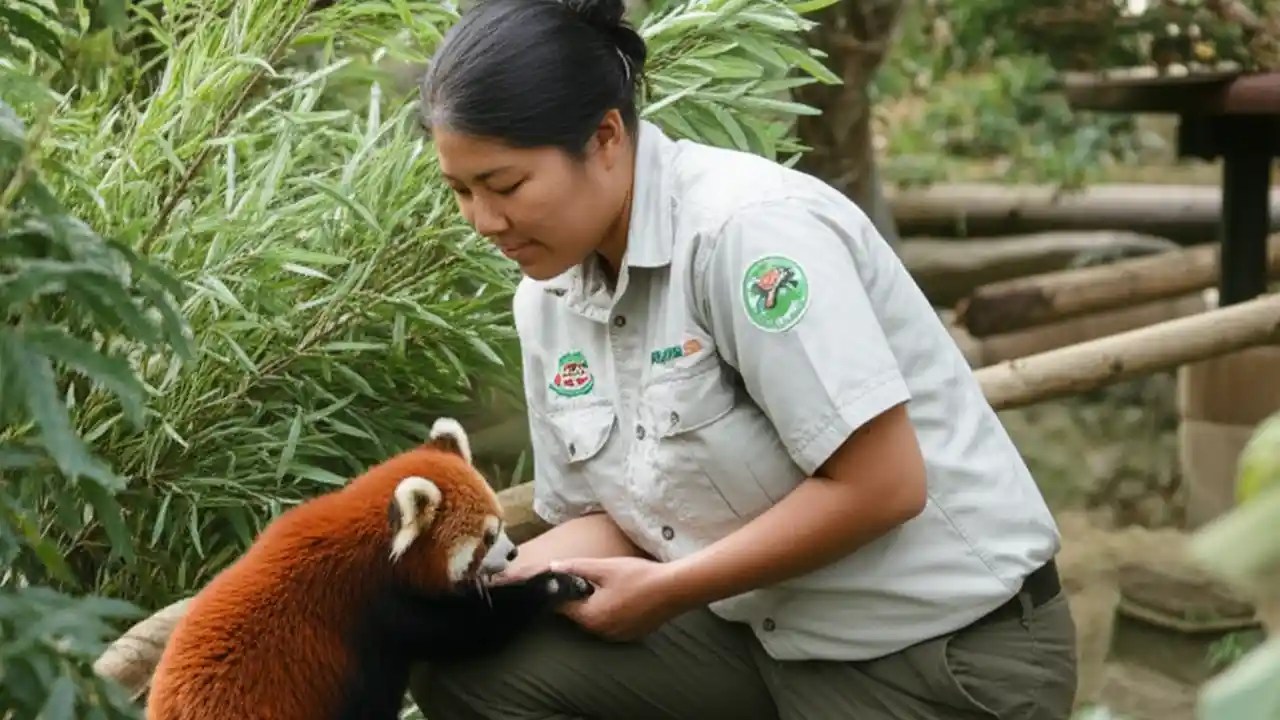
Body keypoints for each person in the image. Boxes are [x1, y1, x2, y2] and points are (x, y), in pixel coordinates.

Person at [410, 0, 1078, 717]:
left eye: (505, 186)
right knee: (464, 662)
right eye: (462, 192)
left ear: (605, 136)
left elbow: (885, 486)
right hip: (762, 639)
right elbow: (608, 521)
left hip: (935, 650)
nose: (483, 221)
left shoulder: (748, 235)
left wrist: (671, 590)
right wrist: (474, 591)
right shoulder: (548, 295)